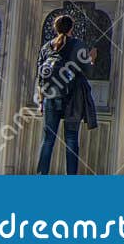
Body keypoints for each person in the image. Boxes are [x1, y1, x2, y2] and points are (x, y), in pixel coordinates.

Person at [35, 14, 98, 175]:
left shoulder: (46, 47)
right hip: (72, 99)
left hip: (50, 97)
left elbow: (40, 77)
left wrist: (41, 102)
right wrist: (91, 59)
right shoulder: (78, 45)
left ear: (55, 28)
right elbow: (88, 71)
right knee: (71, 139)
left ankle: (41, 176)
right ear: (71, 28)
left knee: (48, 140)